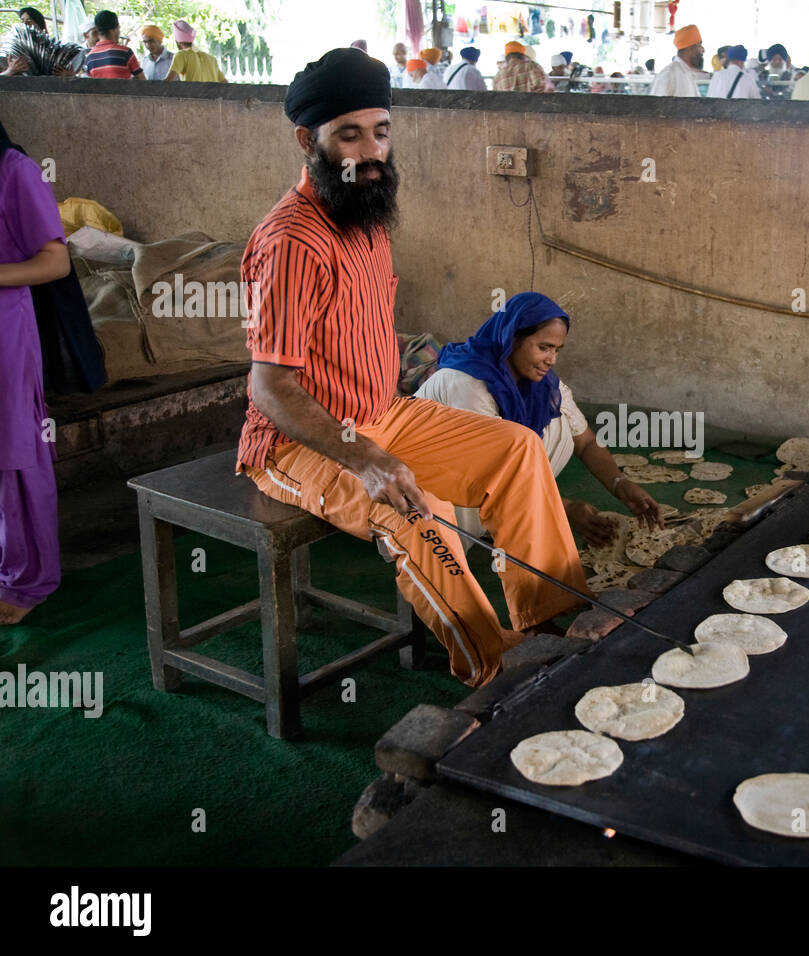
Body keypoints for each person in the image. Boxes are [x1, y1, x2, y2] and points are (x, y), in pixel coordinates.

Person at [238, 48, 588, 687]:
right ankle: (495, 667)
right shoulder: (292, 241)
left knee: (517, 450)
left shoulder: (364, 213)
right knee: (419, 507)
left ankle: (551, 622)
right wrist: (365, 458)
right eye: (349, 135)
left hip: (385, 414)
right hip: (299, 445)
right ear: (307, 141)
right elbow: (270, 386)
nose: (371, 150)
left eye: (381, 131)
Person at [417, 293, 664, 545]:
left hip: (485, 485)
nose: (552, 360)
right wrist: (564, 509)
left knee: (561, 425)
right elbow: (491, 472)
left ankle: (503, 518)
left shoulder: (544, 386)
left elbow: (586, 442)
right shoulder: (468, 382)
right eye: (544, 347)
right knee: (443, 567)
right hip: (419, 495)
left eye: (557, 350)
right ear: (512, 338)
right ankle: (439, 542)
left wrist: (620, 484)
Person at [0, 121, 67, 625]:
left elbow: (55, 262)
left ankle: (26, 581)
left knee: (14, 450)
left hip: (6, 332)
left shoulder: (15, 171)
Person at [649, 23, 703, 96]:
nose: (703, 50)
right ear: (690, 49)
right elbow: (657, 105)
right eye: (699, 45)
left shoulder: (688, 73)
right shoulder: (669, 73)